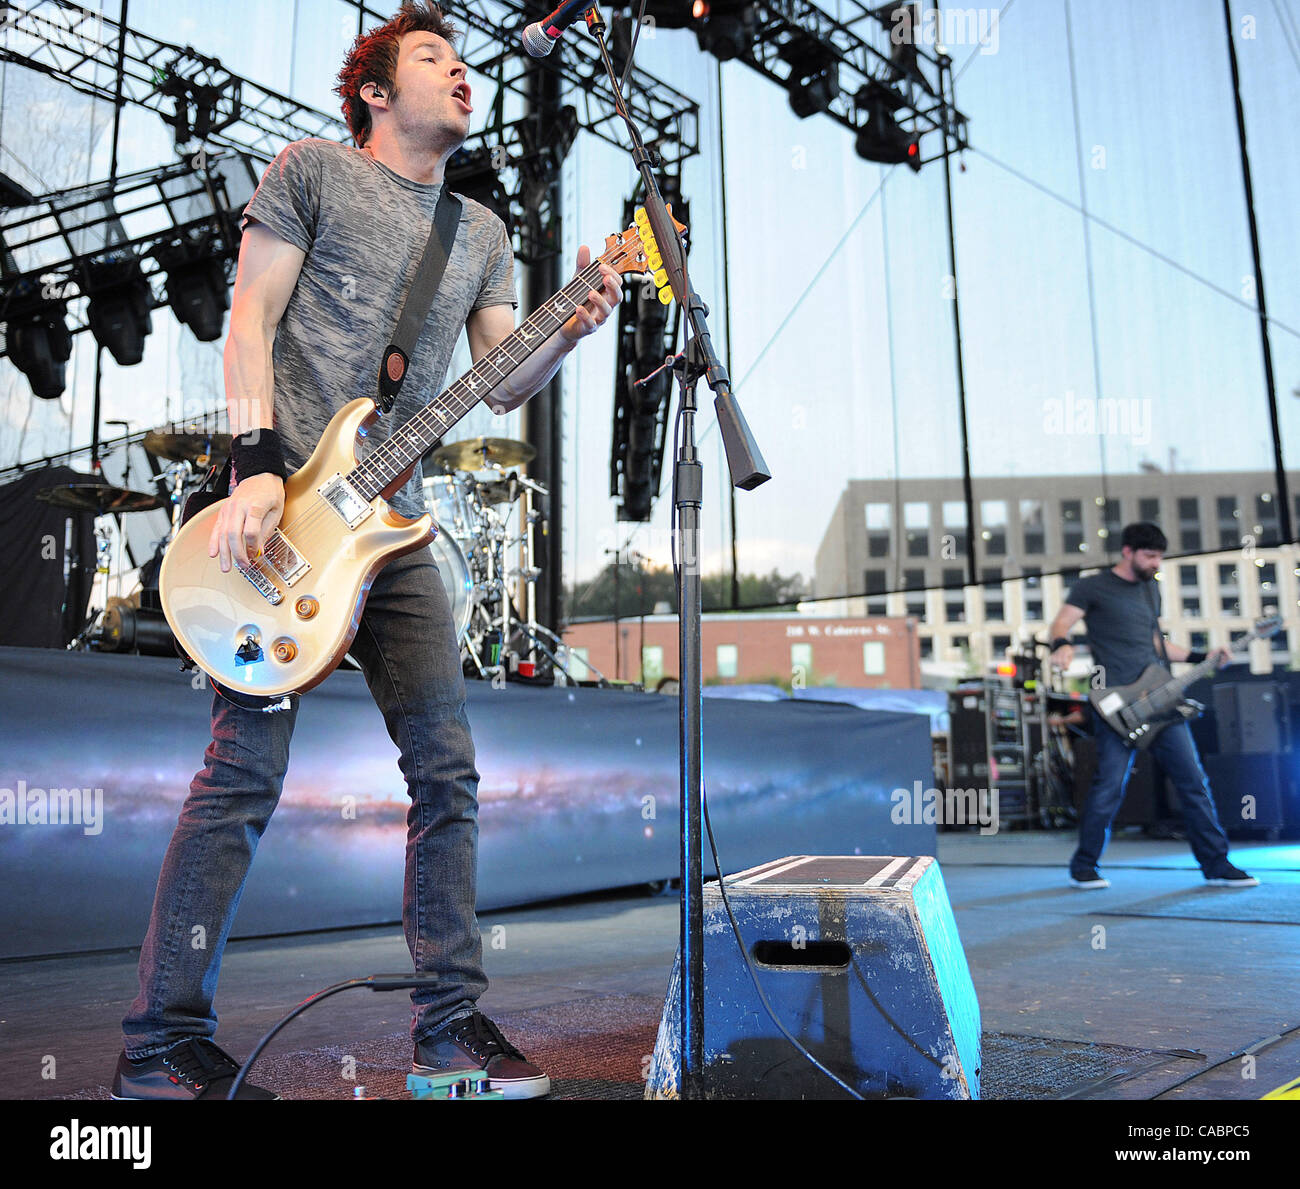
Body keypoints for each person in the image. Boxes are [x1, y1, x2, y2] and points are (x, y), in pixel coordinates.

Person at [113, 1, 621, 1100]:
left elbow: (503, 377)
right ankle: (158, 1045)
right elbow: (247, 317)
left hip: (389, 530)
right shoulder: (311, 172)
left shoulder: (480, 232)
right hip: (275, 508)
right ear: (377, 91)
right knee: (241, 773)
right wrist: (253, 463)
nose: (463, 72)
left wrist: (570, 326)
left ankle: (449, 1030)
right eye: (435, 57)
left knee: (447, 770)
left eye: (465, 60)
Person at [1047, 522, 1259, 891]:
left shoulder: (1150, 588)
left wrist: (1200, 656)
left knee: (1193, 781)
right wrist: (1060, 645)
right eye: (1149, 555)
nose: (1155, 562)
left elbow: (1154, 641)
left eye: (1160, 556)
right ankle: (1084, 867)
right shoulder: (1092, 586)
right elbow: (1061, 622)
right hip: (1115, 704)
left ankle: (1216, 864)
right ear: (1127, 551)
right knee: (1108, 786)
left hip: (1161, 701)